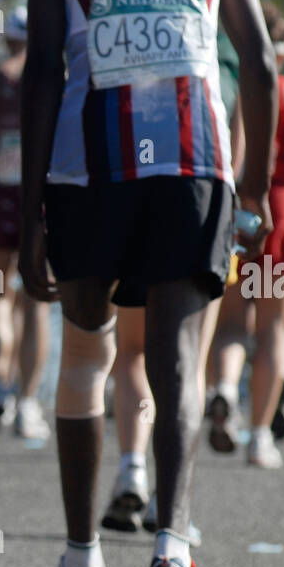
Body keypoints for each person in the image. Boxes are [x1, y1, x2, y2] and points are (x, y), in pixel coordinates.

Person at [22, 0, 277, 567]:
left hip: (84, 172)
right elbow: (262, 60)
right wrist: (255, 188)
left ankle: (82, 565)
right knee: (178, 361)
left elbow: (43, 67)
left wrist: (27, 217)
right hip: (191, 166)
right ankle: (172, 553)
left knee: (85, 355)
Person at [105, 27, 241, 534]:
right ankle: (171, 503)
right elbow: (238, 122)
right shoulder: (218, 23)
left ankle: (131, 470)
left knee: (134, 350)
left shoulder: (135, 8)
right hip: (198, 190)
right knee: (186, 358)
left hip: (129, 181)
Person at [205, 2, 284, 469]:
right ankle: (259, 436)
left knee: (232, 322)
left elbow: (234, 157)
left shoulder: (240, 88)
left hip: (244, 212)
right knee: (274, 327)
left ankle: (227, 390)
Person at [0, 5, 50, 441]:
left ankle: (3, 385)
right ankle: (28, 400)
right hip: (41, 194)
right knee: (36, 298)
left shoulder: (0, 76)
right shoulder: (52, 73)